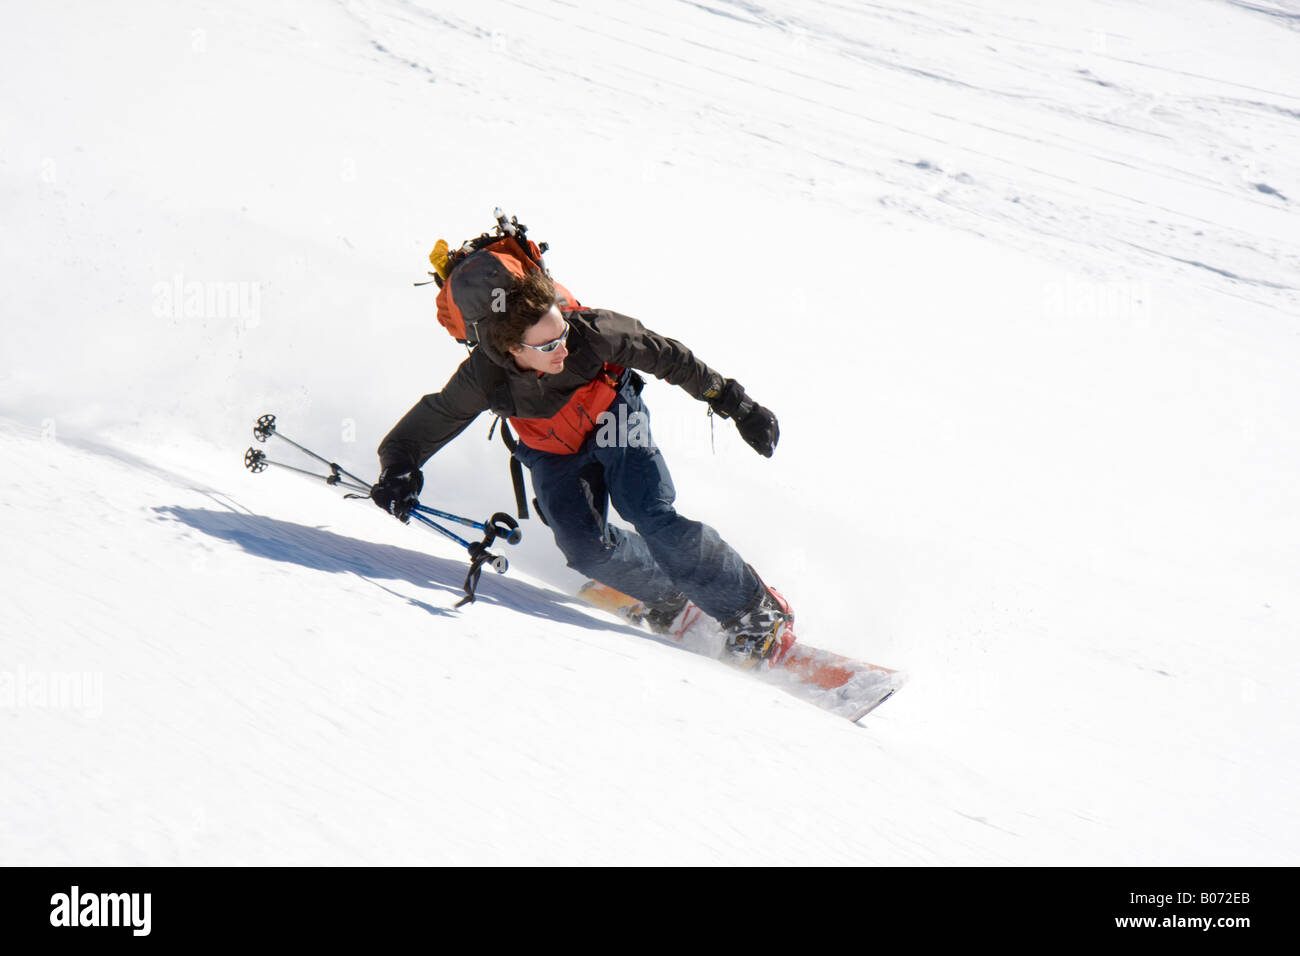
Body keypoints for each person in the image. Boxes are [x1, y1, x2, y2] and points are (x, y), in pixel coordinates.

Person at [370, 268, 795, 662]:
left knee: (650, 514)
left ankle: (753, 608)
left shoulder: (592, 332)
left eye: (563, 334)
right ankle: (669, 594)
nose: (564, 349)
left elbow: (670, 357)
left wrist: (736, 404)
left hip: (613, 418)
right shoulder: (484, 376)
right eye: (549, 346)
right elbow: (436, 416)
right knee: (585, 550)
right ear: (513, 350)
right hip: (551, 448)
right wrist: (398, 468)